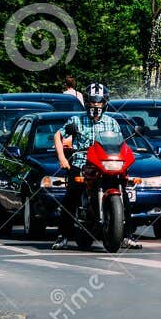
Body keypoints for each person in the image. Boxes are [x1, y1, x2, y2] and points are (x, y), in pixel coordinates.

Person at [51, 83, 139, 250]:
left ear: (105, 103)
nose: (95, 106)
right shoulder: (76, 120)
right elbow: (58, 134)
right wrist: (62, 158)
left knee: (124, 196)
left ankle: (127, 235)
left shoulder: (112, 122)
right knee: (72, 194)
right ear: (86, 102)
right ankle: (63, 236)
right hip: (82, 163)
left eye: (99, 103)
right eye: (92, 102)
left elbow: (120, 145)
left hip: (106, 164)